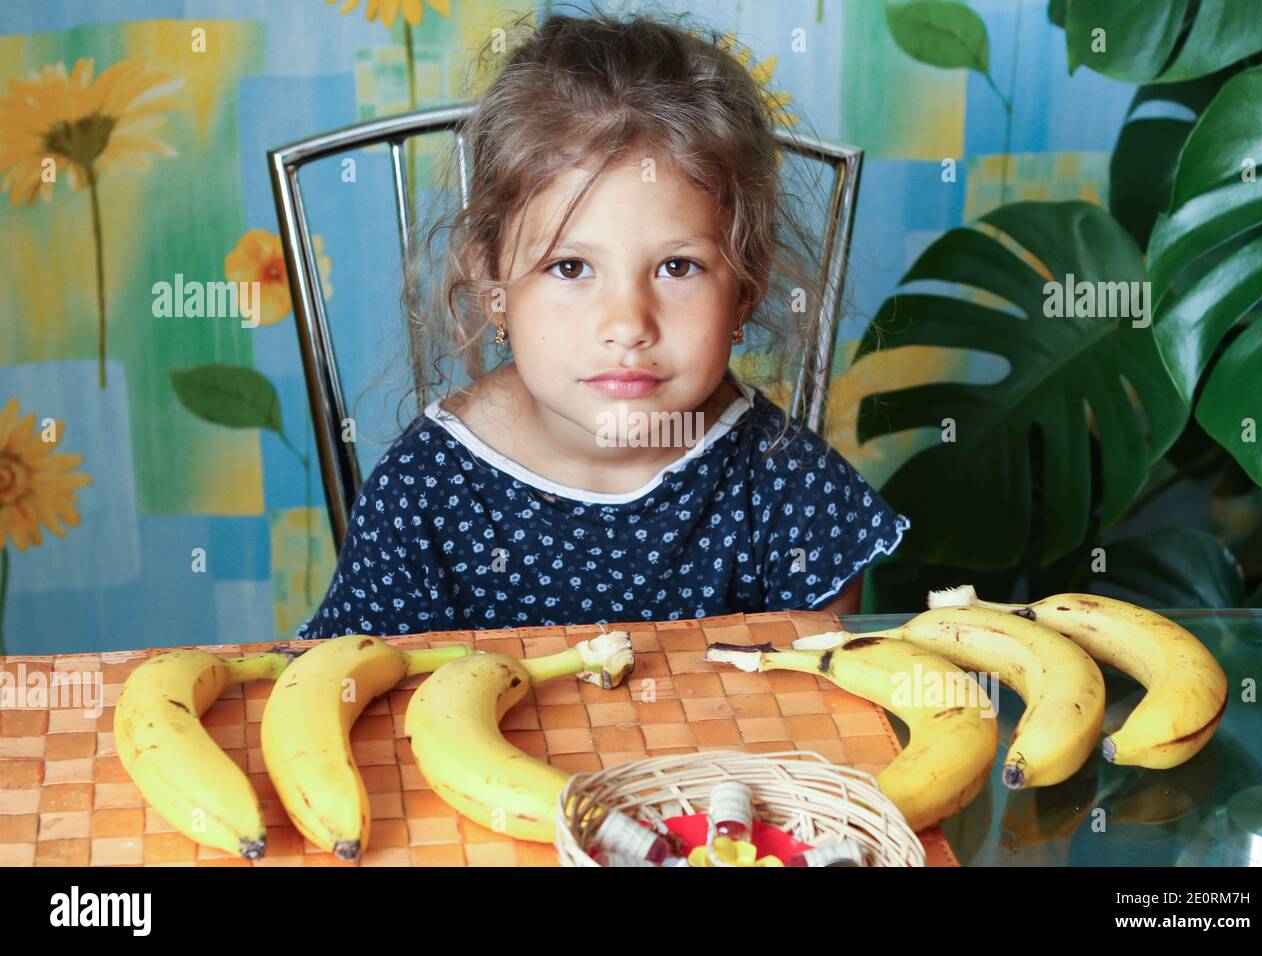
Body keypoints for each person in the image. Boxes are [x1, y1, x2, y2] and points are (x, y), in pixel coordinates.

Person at [297, 7, 908, 638]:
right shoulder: (427, 492)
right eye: (569, 268)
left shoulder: (784, 485)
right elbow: (358, 685)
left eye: (677, 267)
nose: (626, 324)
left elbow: (819, 696)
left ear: (745, 287)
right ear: (494, 288)